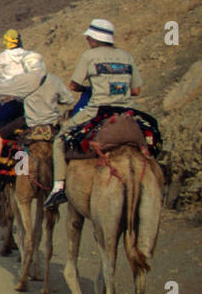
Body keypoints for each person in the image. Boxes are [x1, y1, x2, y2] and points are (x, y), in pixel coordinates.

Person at [44, 19, 143, 209]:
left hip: (97, 110)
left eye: (89, 38)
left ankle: (59, 187)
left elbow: (74, 85)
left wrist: (97, 87)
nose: (87, 41)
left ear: (95, 40)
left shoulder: (89, 56)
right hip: (126, 111)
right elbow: (136, 91)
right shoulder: (126, 56)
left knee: (60, 140)